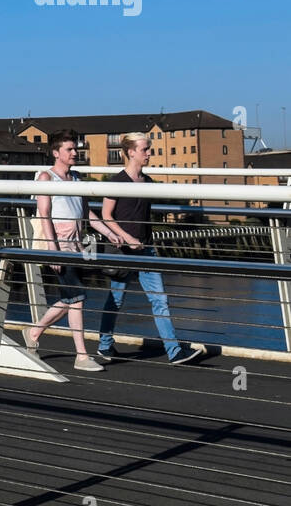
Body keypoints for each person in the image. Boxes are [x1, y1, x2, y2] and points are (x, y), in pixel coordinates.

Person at [98, 133, 206, 365]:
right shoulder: (116, 182)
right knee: (115, 300)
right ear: (131, 152)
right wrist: (127, 238)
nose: (149, 153)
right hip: (124, 251)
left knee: (160, 300)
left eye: (149, 149)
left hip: (146, 250)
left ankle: (174, 351)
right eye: (145, 149)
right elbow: (106, 216)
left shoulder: (147, 182)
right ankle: (104, 345)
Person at [22, 130, 122, 372]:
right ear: (56, 153)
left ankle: (33, 332)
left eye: (75, 149)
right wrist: (53, 248)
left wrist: (109, 233)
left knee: (70, 298)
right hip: (57, 245)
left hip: (77, 246)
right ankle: (81, 356)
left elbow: (87, 214)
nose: (75, 152)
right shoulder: (46, 178)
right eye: (69, 149)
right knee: (78, 298)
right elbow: (44, 213)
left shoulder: (77, 178)